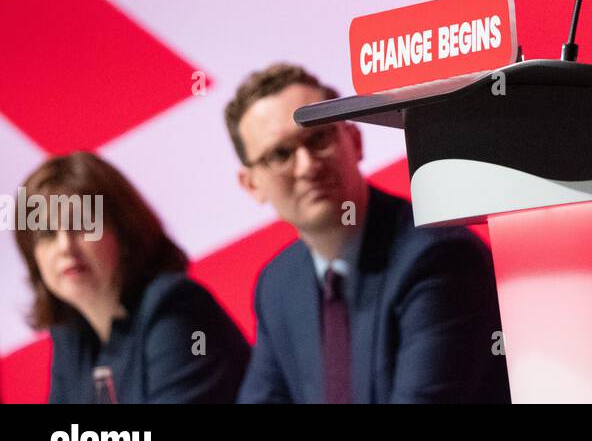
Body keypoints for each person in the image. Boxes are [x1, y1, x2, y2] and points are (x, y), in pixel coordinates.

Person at [227, 62, 510, 403]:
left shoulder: (439, 258)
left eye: (319, 138)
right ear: (251, 184)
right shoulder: (278, 285)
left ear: (355, 140)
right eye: (280, 154)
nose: (307, 166)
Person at [15, 151, 249, 403]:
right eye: (48, 234)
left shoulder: (177, 308)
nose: (65, 246)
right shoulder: (70, 334)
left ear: (124, 230)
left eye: (81, 225)